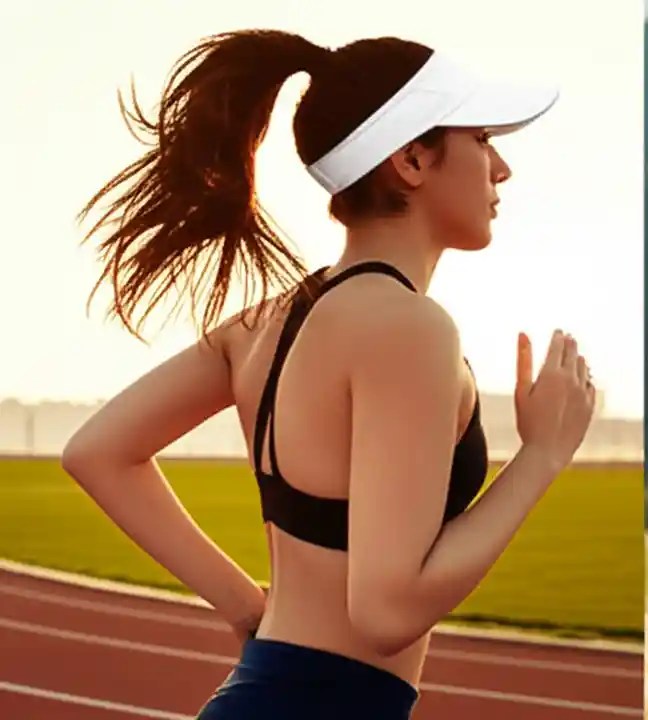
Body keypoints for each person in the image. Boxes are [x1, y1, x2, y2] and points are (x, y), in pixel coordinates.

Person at [59, 28, 597, 719]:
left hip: (266, 688)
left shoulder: (264, 323)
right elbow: (385, 612)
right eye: (483, 138)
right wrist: (542, 456)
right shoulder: (409, 328)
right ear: (410, 159)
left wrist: (244, 604)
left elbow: (97, 451)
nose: (502, 170)